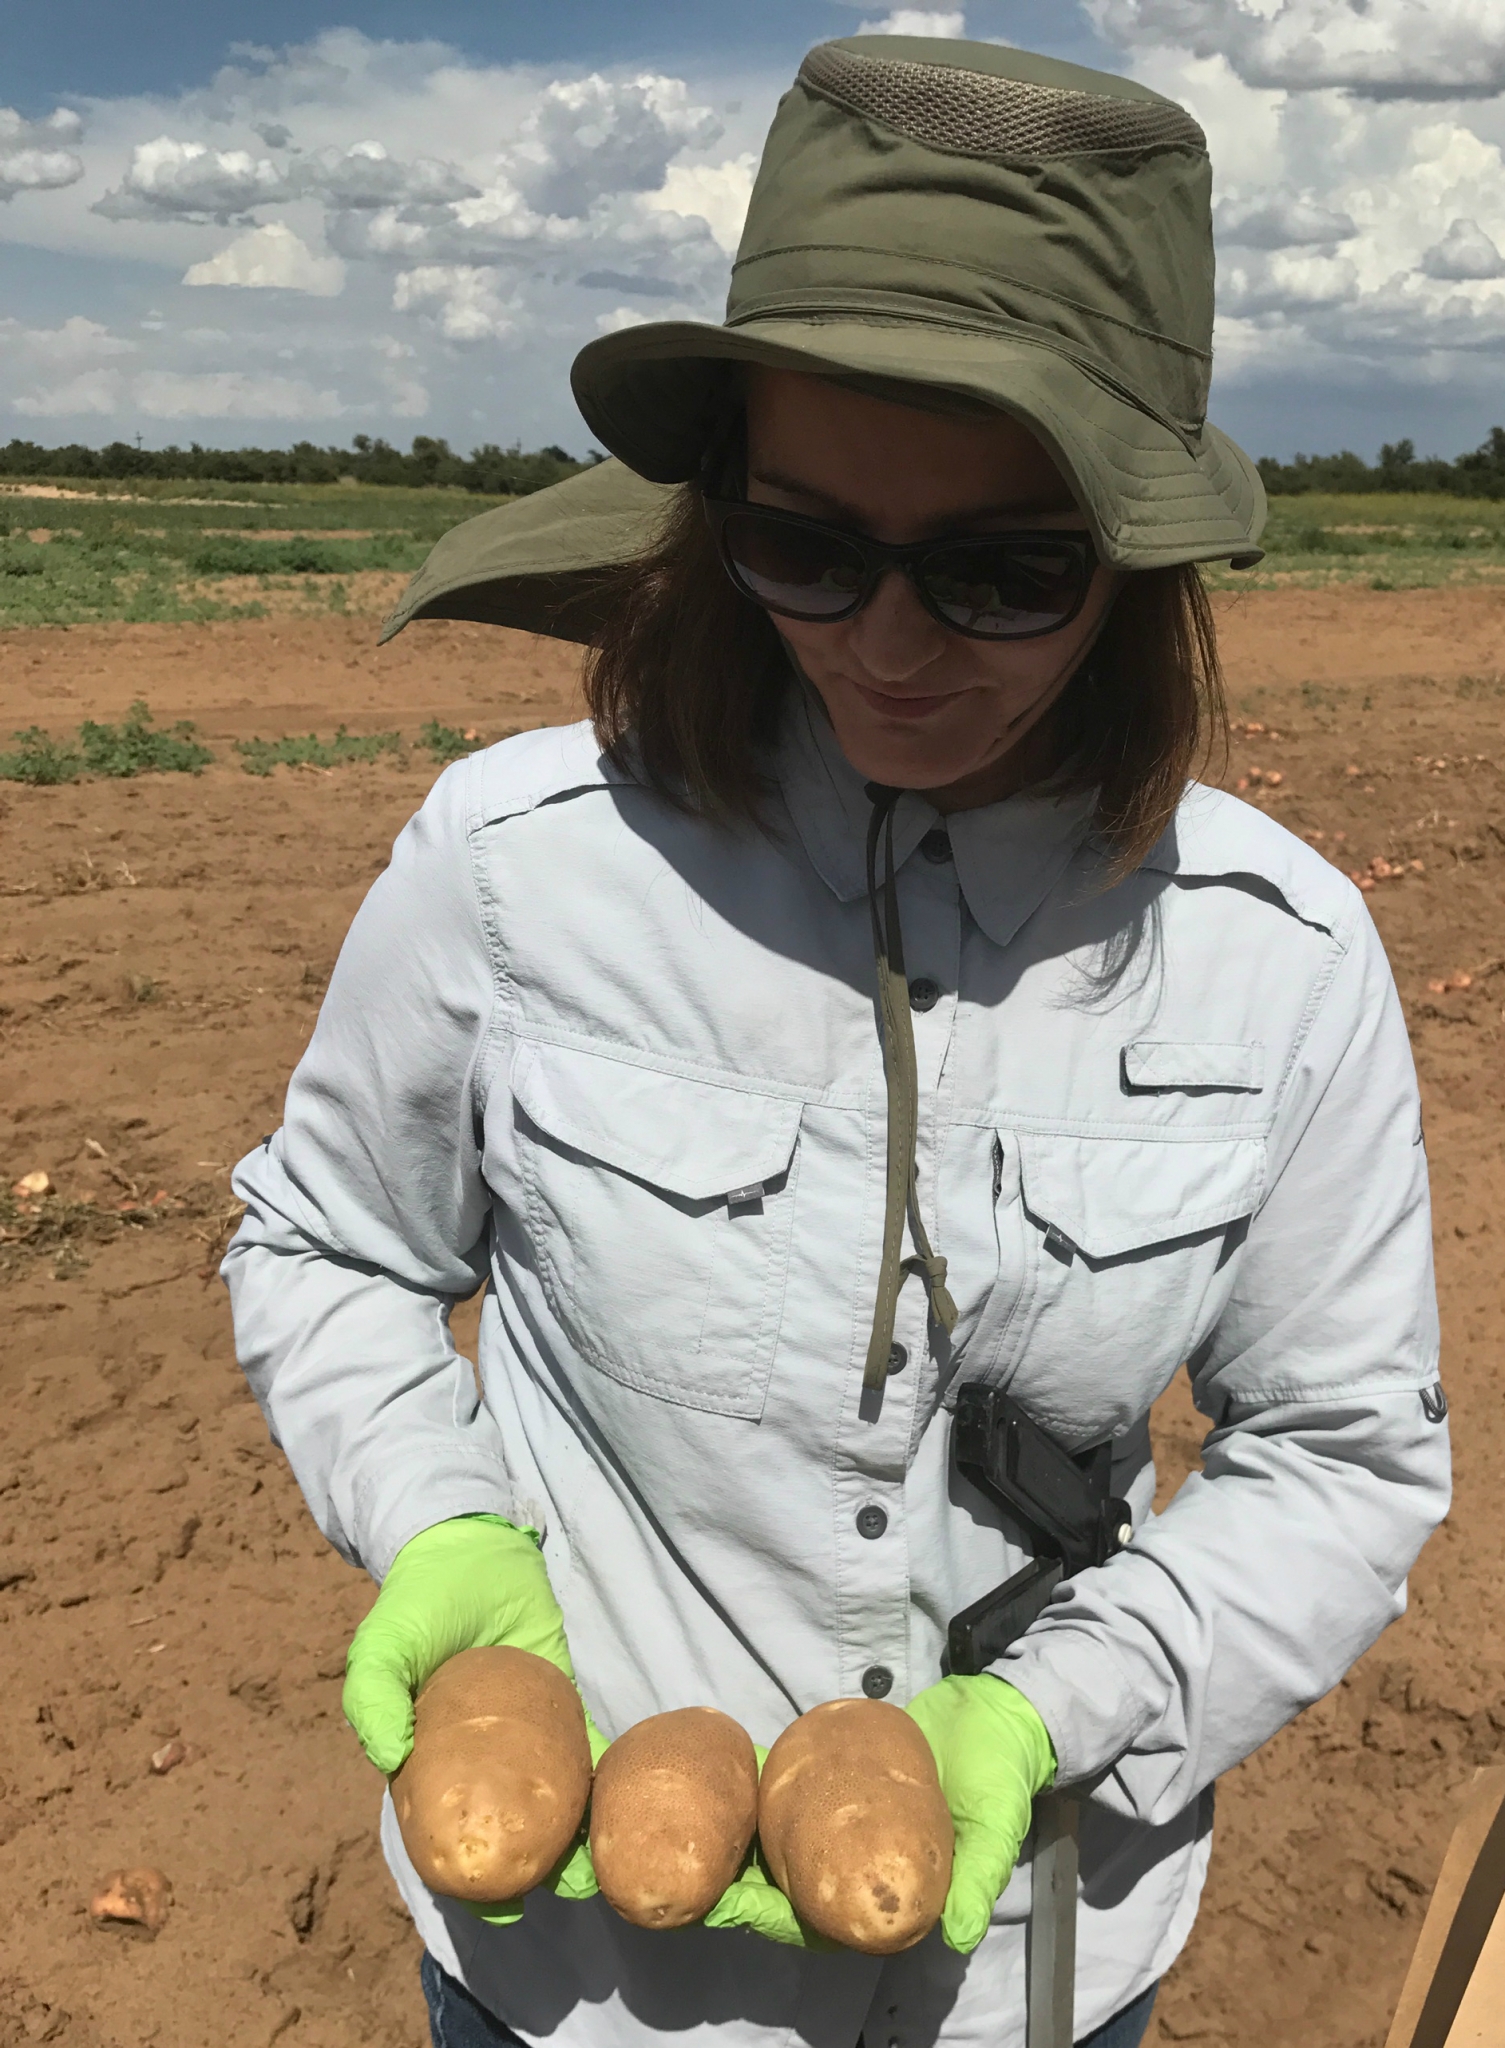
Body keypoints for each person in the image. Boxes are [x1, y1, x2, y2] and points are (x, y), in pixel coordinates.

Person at [224, 33, 1450, 2048]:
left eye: (1001, 572)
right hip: (579, 1972)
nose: (887, 648)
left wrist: (1055, 1713)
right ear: (719, 515)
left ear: (1132, 561)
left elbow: (1343, 1450)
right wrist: (440, 1525)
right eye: (805, 545)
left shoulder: (1281, 964)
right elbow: (331, 1246)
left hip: (1037, 1958)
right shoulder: (517, 874)